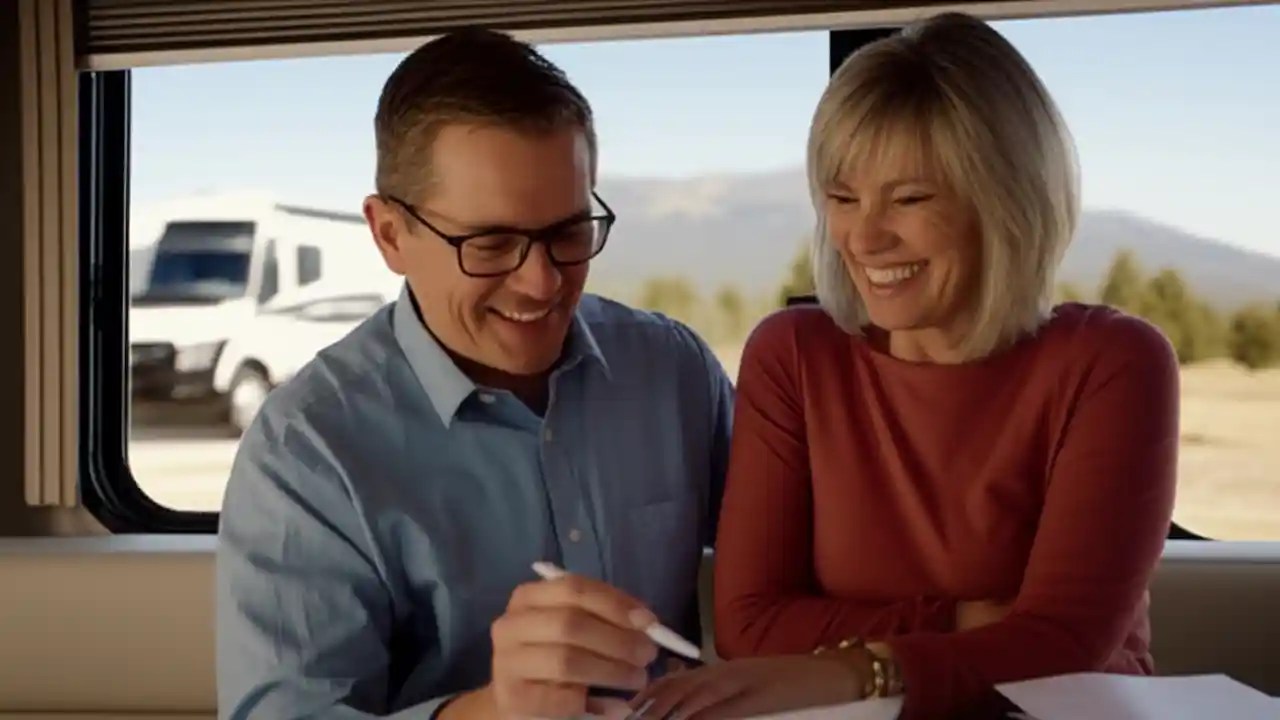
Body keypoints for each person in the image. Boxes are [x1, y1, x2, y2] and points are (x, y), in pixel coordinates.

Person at [629, 12, 1179, 720]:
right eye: (842, 198)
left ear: (1007, 201)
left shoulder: (1113, 363)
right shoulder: (794, 355)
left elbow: (1064, 644)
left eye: (911, 199)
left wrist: (862, 669)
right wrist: (963, 621)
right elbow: (750, 624)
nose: (864, 236)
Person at [215, 28, 734, 720]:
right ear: (389, 235)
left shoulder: (675, 373)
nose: (541, 282)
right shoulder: (307, 453)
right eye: (490, 244)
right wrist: (495, 711)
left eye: (569, 233)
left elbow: (794, 573)